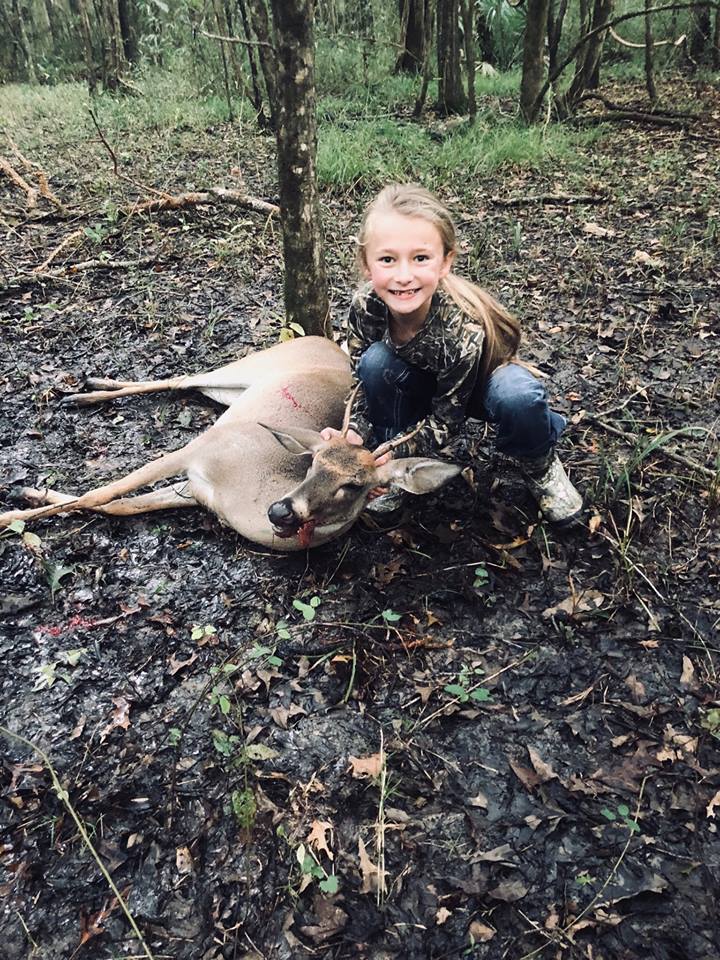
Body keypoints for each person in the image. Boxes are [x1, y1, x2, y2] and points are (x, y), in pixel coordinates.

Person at [321, 183, 583, 526]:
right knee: (375, 362)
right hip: (418, 383)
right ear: (367, 266)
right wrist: (355, 429)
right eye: (387, 259)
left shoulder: (463, 329)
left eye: (420, 258)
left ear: (446, 262)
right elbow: (359, 384)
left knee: (518, 395)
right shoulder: (365, 307)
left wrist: (395, 455)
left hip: (473, 391)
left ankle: (540, 466)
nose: (403, 276)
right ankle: (392, 467)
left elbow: (449, 420)